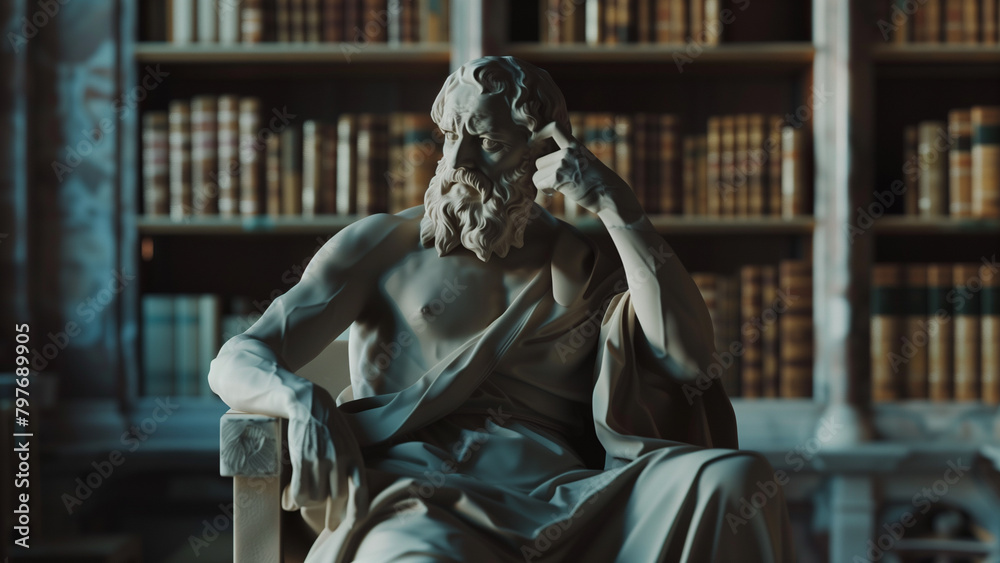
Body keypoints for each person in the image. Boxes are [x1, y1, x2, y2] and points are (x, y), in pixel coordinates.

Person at [209, 56, 792, 562]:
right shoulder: (380, 246)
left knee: (735, 480)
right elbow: (237, 358)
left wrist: (620, 211)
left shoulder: (588, 258)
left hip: (568, 495)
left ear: (540, 149)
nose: (458, 158)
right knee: (416, 556)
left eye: (486, 142)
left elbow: (689, 363)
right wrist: (301, 399)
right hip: (418, 496)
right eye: (450, 136)